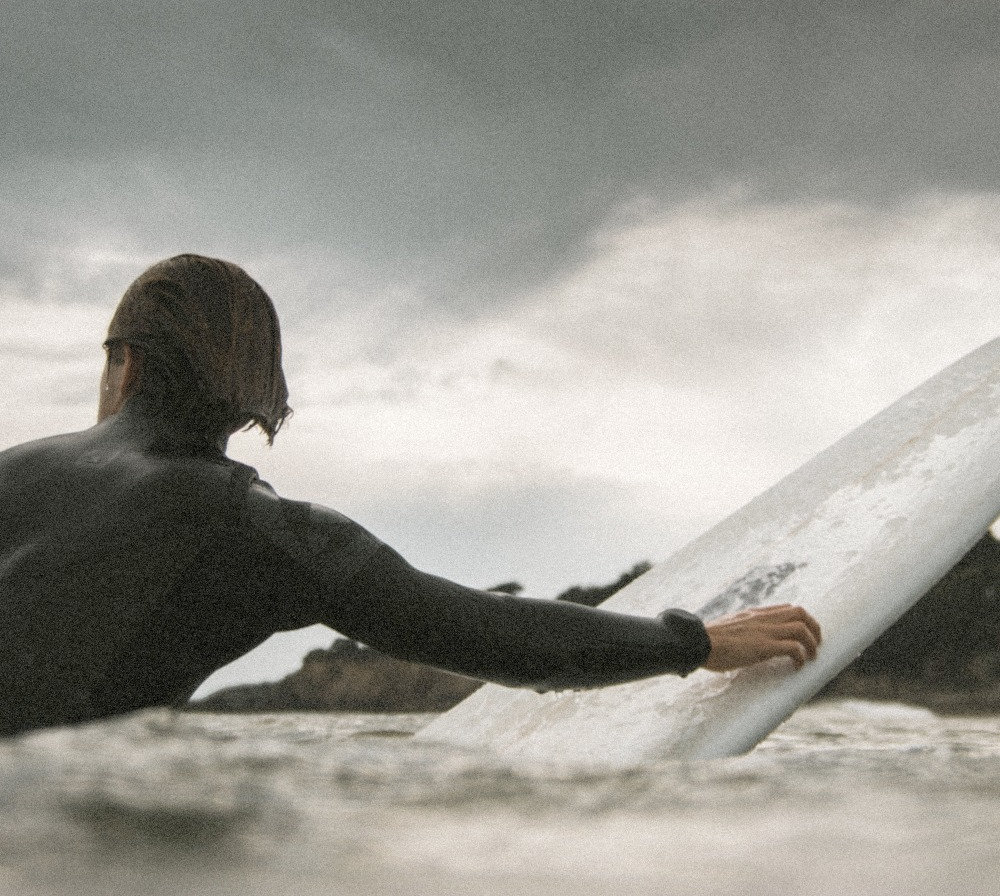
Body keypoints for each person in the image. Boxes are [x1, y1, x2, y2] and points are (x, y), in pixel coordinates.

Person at [0, 255, 820, 736]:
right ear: (252, 392)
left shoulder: (10, 472)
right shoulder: (267, 535)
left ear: (126, 364)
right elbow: (493, 636)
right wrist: (694, 644)